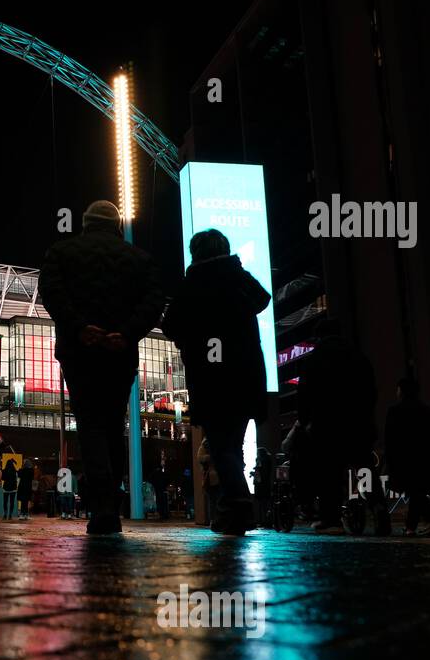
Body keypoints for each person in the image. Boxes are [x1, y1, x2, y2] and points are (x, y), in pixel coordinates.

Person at [39, 199, 165, 535]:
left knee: (91, 425)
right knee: (112, 425)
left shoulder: (61, 253)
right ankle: (113, 499)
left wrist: (80, 327)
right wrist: (126, 332)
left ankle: (103, 507)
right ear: (118, 225)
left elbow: (51, 293)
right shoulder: (139, 259)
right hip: (118, 353)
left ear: (85, 223)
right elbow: (154, 301)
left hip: (80, 352)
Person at [161, 228, 269, 536]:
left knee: (222, 446)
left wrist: (190, 340)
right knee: (232, 445)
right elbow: (262, 298)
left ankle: (238, 504)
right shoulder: (238, 277)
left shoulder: (192, 283)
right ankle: (233, 512)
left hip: (210, 377)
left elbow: (170, 325)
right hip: (245, 375)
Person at [296, 318, 379, 533]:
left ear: (319, 337)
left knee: (328, 472)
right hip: (358, 422)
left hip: (327, 424)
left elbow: (304, 394)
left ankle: (331, 519)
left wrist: (305, 421)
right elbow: (371, 391)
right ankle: (378, 508)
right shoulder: (359, 357)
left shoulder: (314, 359)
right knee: (365, 466)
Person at [384, 377, 430, 536]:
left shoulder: (394, 411)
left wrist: (388, 462)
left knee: (414, 492)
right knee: (416, 492)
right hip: (424, 460)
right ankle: (411, 527)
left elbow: (390, 439)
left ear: (402, 391)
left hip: (404, 461)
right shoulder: (429, 411)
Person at [252, 448, 275, 528]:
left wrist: (254, 472)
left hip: (260, 485)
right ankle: (267, 521)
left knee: (261, 504)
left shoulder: (260, 460)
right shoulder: (268, 460)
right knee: (266, 503)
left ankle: (262, 521)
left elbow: (259, 472)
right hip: (266, 484)